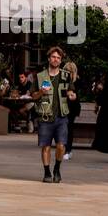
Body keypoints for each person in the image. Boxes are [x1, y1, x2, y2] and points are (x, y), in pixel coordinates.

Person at [31, 45, 77, 183]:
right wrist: (41, 92)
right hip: (45, 116)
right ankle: (47, 172)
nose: (56, 59)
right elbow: (33, 96)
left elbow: (70, 91)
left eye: (58, 57)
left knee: (61, 145)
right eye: (53, 57)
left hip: (62, 116)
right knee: (45, 146)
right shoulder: (40, 77)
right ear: (49, 58)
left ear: (61, 60)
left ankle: (57, 168)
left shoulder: (65, 76)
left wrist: (72, 95)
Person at [62, 59, 81, 158]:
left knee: (68, 128)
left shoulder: (76, 81)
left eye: (70, 72)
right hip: (64, 106)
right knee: (64, 128)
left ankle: (68, 150)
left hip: (72, 107)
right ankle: (66, 149)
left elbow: (75, 95)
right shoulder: (63, 80)